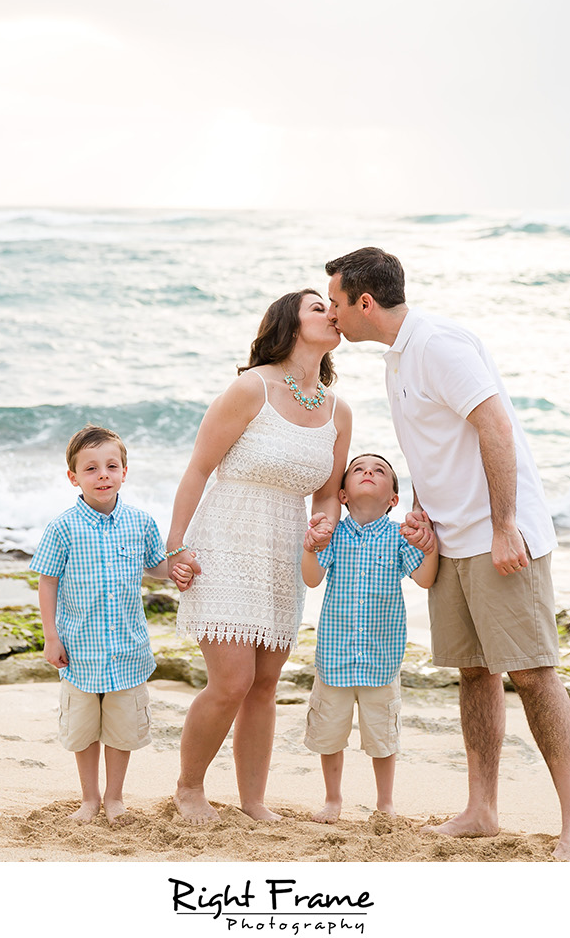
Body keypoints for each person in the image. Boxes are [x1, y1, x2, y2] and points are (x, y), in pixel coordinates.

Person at [323, 247, 570, 861]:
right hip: (448, 539)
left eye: (336, 302)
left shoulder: (438, 344)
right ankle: (481, 810)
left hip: (498, 536)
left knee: (533, 672)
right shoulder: (397, 358)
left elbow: (495, 426)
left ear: (364, 302)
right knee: (474, 672)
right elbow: (434, 446)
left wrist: (505, 526)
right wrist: (423, 510)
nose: (332, 314)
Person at [165, 289, 352, 824]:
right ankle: (189, 789)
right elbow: (198, 469)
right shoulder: (252, 388)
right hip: (225, 541)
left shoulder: (339, 410)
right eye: (317, 307)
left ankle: (253, 801)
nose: (331, 313)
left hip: (283, 553)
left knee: (265, 686)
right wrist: (176, 546)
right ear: (289, 324)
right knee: (231, 683)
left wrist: (325, 524)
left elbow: (327, 494)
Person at [34, 424, 181, 825]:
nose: (103, 475)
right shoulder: (63, 527)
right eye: (91, 468)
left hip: (128, 650)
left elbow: (155, 566)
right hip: (79, 651)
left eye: (111, 467)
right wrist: (51, 637)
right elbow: (47, 581)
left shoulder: (140, 522)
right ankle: (89, 798)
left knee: (121, 729)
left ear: (124, 472)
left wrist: (178, 568)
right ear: (74, 477)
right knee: (83, 730)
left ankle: (115, 797)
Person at [300, 452, 438, 823]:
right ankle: (332, 799)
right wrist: (310, 547)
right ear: (343, 494)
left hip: (382, 659)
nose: (368, 473)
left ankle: (385, 803)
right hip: (336, 657)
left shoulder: (399, 538)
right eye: (358, 469)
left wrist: (429, 548)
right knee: (330, 733)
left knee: (382, 736)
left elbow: (425, 579)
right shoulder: (332, 534)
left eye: (379, 471)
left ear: (393, 499)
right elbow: (311, 578)